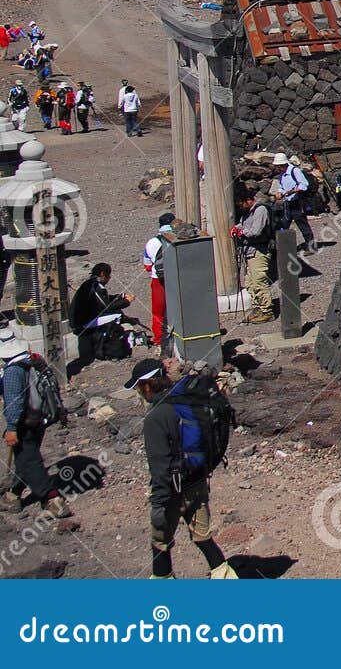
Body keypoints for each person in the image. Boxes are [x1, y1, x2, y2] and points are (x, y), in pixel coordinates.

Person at [127, 359, 236, 579]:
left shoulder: (155, 417)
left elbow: (160, 467)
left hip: (172, 490)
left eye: (139, 387)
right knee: (203, 536)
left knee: (160, 542)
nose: (139, 392)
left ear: (147, 385)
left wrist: (159, 501)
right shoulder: (185, 400)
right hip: (197, 480)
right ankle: (225, 577)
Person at [1, 327, 73, 521]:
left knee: (29, 460)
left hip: (25, 422)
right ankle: (13, 495)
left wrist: (12, 428)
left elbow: (14, 402)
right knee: (25, 458)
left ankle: (53, 499)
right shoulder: (33, 361)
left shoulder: (12, 372)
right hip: (40, 417)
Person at [69, 263, 136, 363]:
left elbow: (103, 300)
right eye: (108, 276)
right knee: (118, 316)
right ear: (102, 274)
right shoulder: (96, 287)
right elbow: (107, 307)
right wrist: (127, 302)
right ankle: (110, 341)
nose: (109, 278)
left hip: (83, 318)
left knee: (115, 314)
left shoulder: (90, 283)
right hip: (82, 324)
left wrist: (120, 296)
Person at [232, 191, 275, 324]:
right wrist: (236, 228)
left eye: (241, 204)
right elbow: (243, 224)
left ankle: (267, 311)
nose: (240, 207)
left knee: (259, 281)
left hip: (259, 251)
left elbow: (256, 231)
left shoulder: (260, 210)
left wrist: (241, 232)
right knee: (250, 283)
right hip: (249, 251)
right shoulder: (247, 212)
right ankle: (258, 308)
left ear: (249, 200)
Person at [142, 212, 175, 349]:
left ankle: (159, 339)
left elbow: (147, 265)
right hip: (175, 278)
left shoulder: (151, 242)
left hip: (158, 280)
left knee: (158, 311)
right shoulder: (176, 238)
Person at [271, 153, 315, 250]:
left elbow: (304, 184)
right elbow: (282, 187)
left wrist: (294, 190)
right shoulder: (282, 175)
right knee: (283, 224)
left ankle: (311, 246)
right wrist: (279, 192)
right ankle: (282, 247)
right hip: (288, 203)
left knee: (302, 224)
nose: (277, 168)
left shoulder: (295, 171)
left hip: (297, 202)